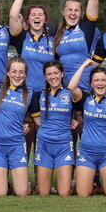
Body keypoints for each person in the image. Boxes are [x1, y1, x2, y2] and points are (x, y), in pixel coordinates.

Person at [0, 56, 40, 197]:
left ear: (25, 74)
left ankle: (26, 184)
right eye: (14, 71)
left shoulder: (30, 94)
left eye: (21, 72)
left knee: (21, 193)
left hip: (16, 144)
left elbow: (39, 121)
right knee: (0, 193)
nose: (17, 75)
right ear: (8, 73)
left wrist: (66, 121)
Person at [69, 59, 106, 197]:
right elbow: (71, 87)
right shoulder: (85, 98)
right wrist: (83, 65)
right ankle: (77, 183)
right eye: (96, 80)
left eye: (103, 80)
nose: (100, 83)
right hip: (87, 153)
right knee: (83, 193)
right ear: (91, 83)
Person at [54, 0, 102, 93]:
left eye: (76, 10)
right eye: (70, 9)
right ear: (63, 12)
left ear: (81, 13)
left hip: (84, 87)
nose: (73, 13)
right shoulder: (57, 31)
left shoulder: (86, 28)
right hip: (63, 88)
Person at [33, 61, 77, 197]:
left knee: (64, 193)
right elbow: (36, 119)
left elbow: (81, 112)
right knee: (43, 193)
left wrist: (72, 120)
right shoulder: (39, 94)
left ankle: (74, 184)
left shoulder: (70, 93)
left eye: (56, 73)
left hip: (63, 145)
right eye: (49, 74)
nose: (53, 77)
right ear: (45, 77)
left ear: (62, 74)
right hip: (44, 144)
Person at [8, 0, 56, 89]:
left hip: (46, 93)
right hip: (24, 92)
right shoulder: (22, 37)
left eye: (40, 15)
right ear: (28, 20)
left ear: (45, 19)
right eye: (33, 15)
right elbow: (13, 17)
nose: (37, 17)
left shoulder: (53, 41)